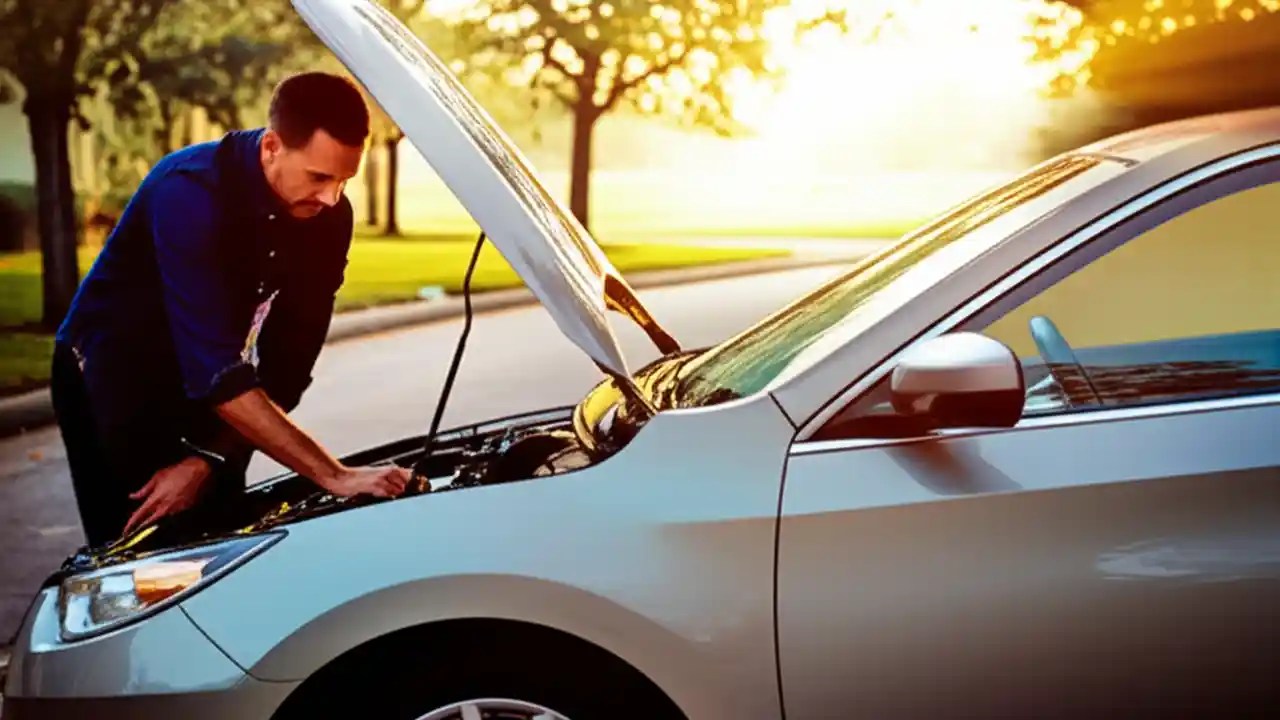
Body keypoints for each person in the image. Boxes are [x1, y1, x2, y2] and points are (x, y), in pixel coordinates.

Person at [51, 72, 410, 547]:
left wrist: (209, 458)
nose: (332, 198)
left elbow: (289, 361)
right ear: (271, 147)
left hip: (212, 377)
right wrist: (336, 476)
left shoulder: (328, 216)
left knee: (222, 538)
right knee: (145, 554)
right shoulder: (188, 193)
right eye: (319, 177)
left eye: (344, 180)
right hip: (111, 374)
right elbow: (215, 370)